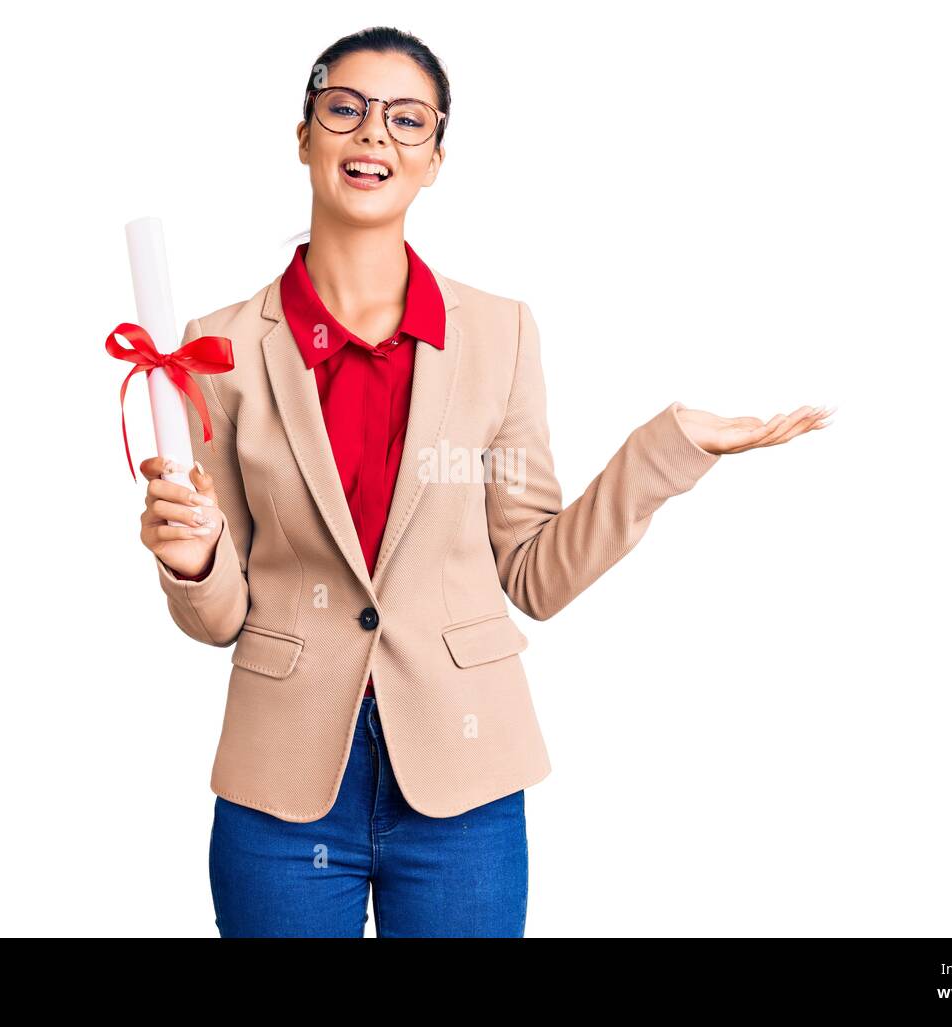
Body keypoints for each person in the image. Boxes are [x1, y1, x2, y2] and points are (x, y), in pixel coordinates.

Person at [137, 26, 831, 938]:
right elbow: (221, 616)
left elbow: (534, 576)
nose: (373, 135)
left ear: (435, 158)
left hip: (462, 786)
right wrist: (194, 560)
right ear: (304, 135)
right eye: (344, 109)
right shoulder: (214, 347)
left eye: (406, 119)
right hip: (283, 785)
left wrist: (660, 454)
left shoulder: (500, 334)